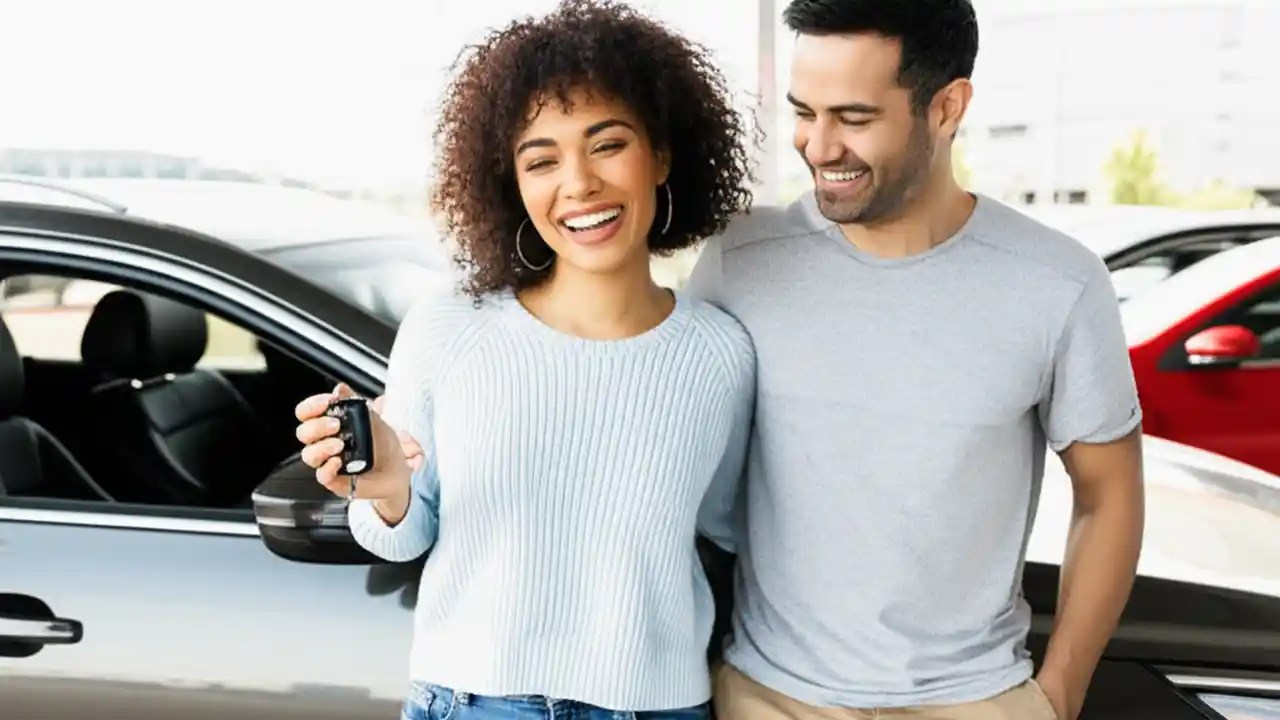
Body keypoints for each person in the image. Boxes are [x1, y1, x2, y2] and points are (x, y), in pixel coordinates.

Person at [294, 1, 757, 718]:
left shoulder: (721, 355)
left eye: (607, 144)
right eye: (541, 159)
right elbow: (401, 537)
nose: (578, 184)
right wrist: (386, 482)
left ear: (662, 155)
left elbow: (736, 534)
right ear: (512, 183)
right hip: (476, 702)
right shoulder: (449, 330)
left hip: (660, 707)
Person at [687, 1, 1145, 719]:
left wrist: (1058, 696)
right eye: (805, 111)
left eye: (855, 118)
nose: (817, 144)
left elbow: (1109, 492)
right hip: (769, 699)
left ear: (947, 108)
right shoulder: (740, 262)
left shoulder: (1058, 282)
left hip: (978, 701)